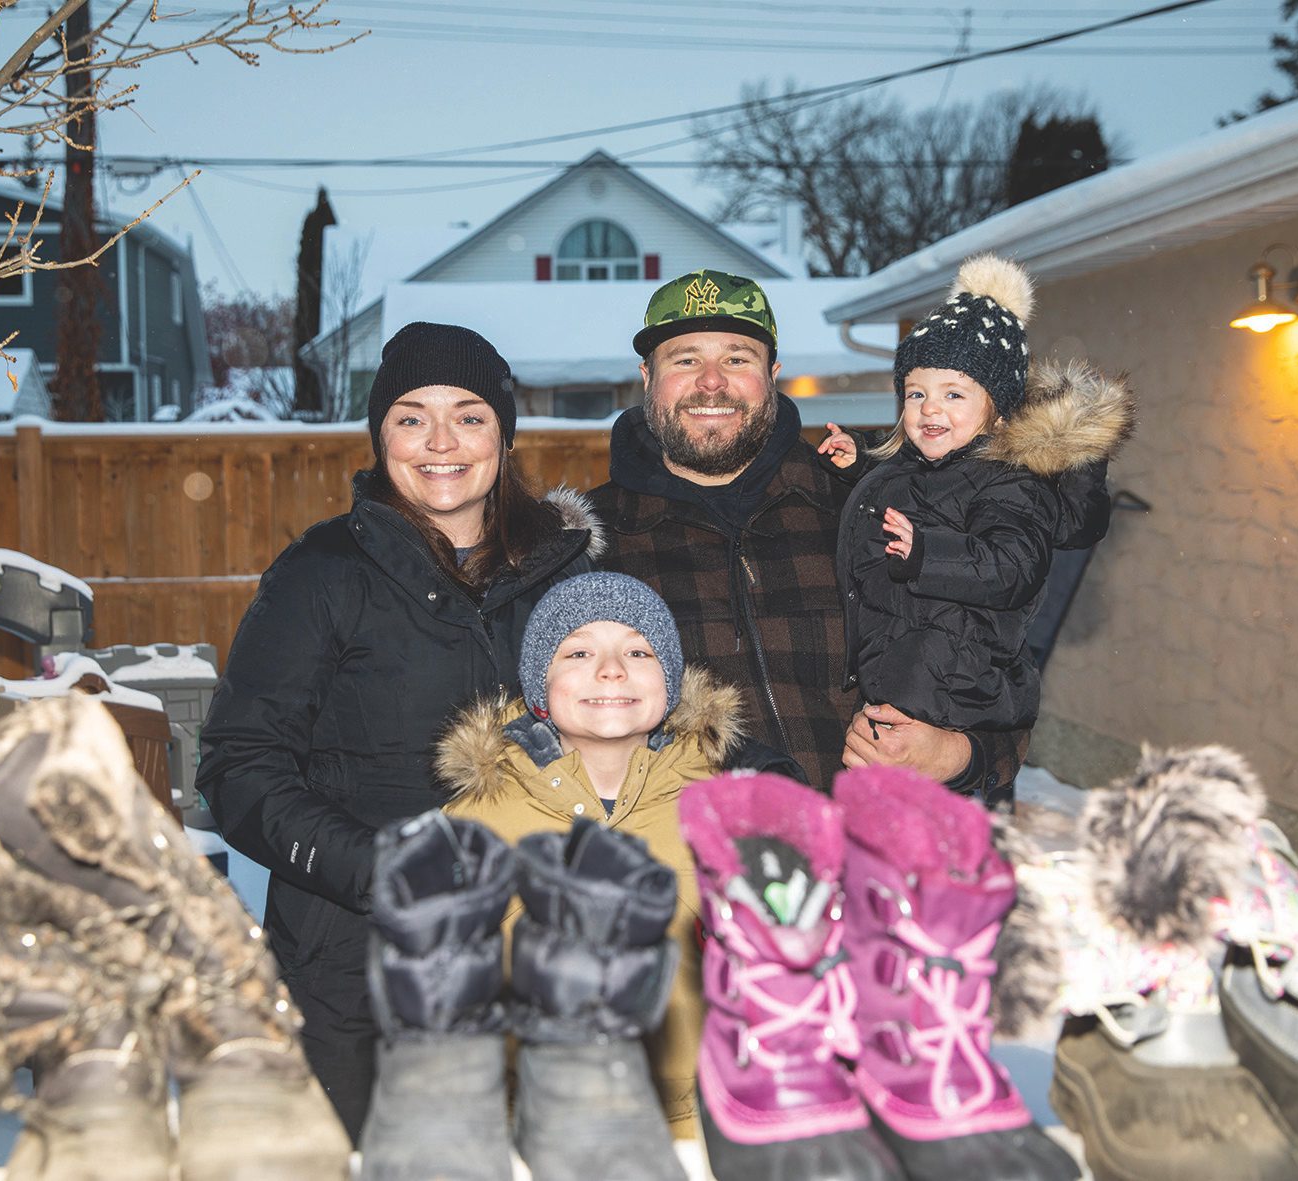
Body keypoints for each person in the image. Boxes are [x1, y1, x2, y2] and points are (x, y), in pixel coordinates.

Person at [196, 321, 601, 1142]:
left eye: (469, 416)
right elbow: (240, 766)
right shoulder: (322, 573)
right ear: (381, 437)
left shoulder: (564, 576)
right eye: (412, 417)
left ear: (504, 436)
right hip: (354, 969)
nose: (440, 442)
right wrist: (377, 868)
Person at [587, 270, 1046, 799]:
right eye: (685, 359)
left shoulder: (866, 507)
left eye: (737, 359)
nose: (711, 381)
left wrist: (955, 754)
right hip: (697, 845)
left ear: (773, 375)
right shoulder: (590, 544)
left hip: (873, 836)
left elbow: (996, 663)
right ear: (647, 377)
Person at [435, 571, 797, 1140]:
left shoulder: (727, 808)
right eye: (578, 652)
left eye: (638, 651)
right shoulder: (472, 821)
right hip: (533, 1129)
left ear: (670, 682)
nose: (611, 670)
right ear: (540, 687)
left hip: (701, 1127)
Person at [828, 254, 1132, 739]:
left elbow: (1013, 566)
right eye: (916, 393)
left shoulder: (1010, 482)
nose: (930, 409)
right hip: (899, 677)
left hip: (950, 692)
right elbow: (917, 484)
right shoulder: (924, 462)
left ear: (999, 411)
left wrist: (929, 553)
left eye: (953, 395)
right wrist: (859, 458)